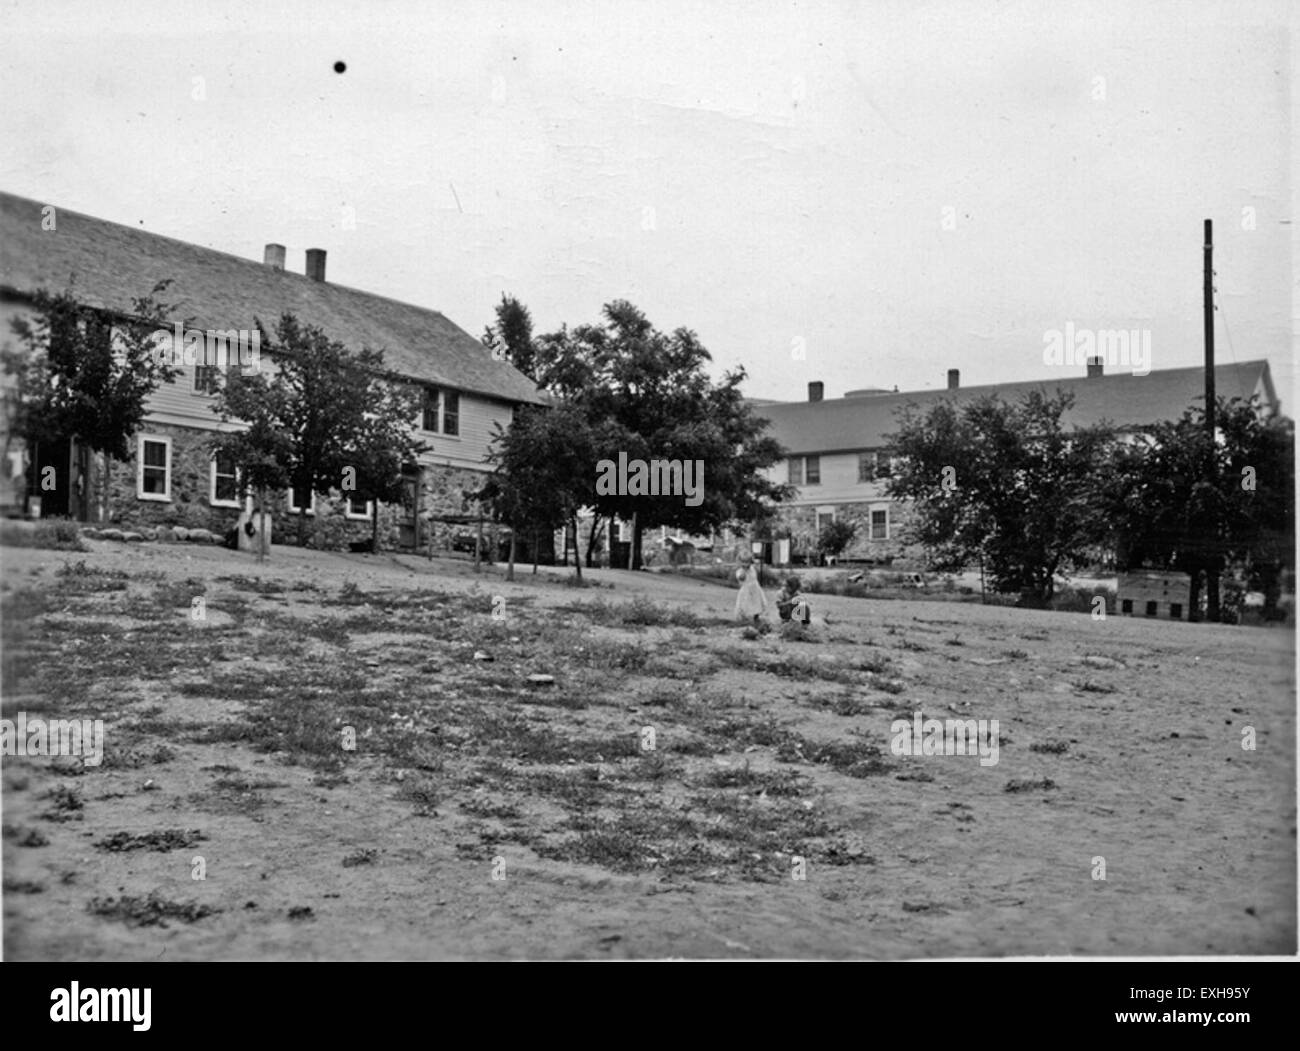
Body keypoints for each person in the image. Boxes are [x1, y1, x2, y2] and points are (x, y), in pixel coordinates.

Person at [734, 551, 767, 624]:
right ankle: (744, 618)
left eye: (747, 562)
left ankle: (756, 617)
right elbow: (741, 578)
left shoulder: (752, 569)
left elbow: (754, 576)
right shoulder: (740, 571)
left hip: (755, 590)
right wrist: (743, 574)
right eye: (743, 562)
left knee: (757, 604)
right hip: (746, 591)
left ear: (750, 562)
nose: (745, 564)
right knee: (745, 605)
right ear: (740, 562)